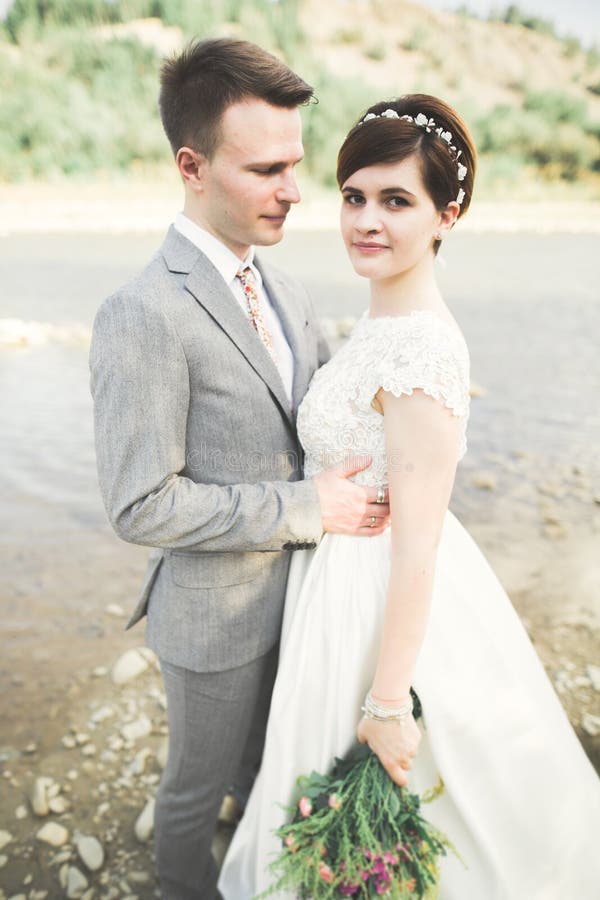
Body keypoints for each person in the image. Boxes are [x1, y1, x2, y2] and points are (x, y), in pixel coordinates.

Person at [219, 94, 600, 899]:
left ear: (445, 216)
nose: (366, 219)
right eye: (355, 195)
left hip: (384, 600)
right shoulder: (382, 322)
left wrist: (389, 702)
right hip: (337, 586)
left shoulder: (423, 349)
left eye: (397, 201)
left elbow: (418, 543)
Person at [89, 38, 391, 900]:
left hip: (308, 607)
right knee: (192, 796)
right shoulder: (141, 314)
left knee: (274, 774)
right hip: (214, 628)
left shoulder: (286, 289)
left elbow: (334, 420)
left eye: (295, 164)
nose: (294, 191)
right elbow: (140, 504)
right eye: (265, 170)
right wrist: (305, 508)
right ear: (191, 165)